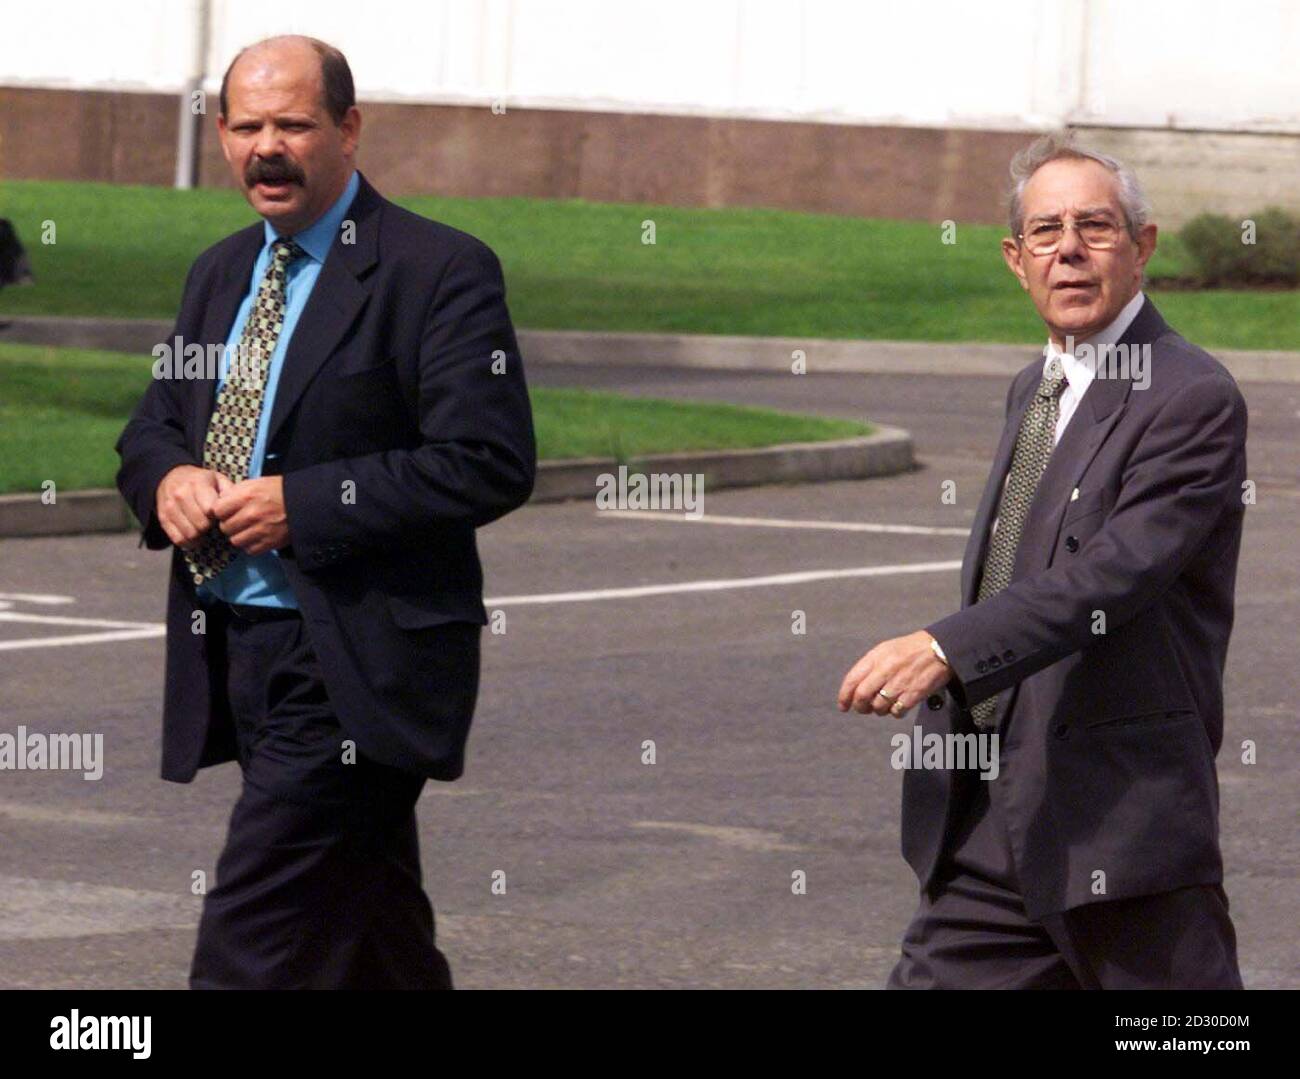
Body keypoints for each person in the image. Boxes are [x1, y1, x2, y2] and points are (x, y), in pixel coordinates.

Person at [115, 34, 535, 989]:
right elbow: (153, 426)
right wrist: (171, 478)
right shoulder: (220, 272)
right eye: (248, 126)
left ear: (348, 129)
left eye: (294, 125)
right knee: (372, 931)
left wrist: (305, 504)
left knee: (250, 939)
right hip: (238, 649)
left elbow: (489, 460)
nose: (269, 147)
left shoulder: (437, 270)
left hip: (356, 660)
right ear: (220, 134)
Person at [837, 133, 1247, 989]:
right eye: (1046, 231)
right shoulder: (1036, 386)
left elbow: (1111, 576)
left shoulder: (1190, 396)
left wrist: (947, 647)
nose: (1068, 248)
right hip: (993, 825)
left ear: (1143, 246)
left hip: (1118, 829)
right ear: (1015, 260)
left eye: (1095, 227)